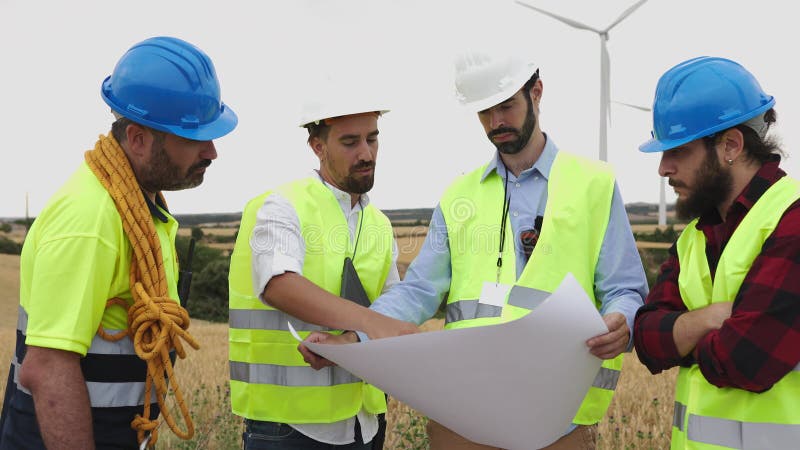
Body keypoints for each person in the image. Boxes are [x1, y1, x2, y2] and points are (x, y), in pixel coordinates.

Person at [301, 49, 648, 450]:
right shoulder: (458, 196)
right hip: (462, 416)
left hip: (558, 420)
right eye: (484, 111)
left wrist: (621, 320)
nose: (496, 122)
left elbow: (624, 288)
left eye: (506, 106)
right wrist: (354, 337)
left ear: (536, 92)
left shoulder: (595, 184)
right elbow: (417, 292)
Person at [0, 36, 237, 450]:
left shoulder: (139, 206)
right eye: (193, 137)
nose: (212, 152)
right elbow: (48, 368)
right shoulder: (89, 219)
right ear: (139, 138)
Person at [228, 84, 417, 449]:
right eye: (350, 142)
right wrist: (374, 324)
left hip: (366, 422)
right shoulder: (281, 205)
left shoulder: (379, 223)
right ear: (317, 146)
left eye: (372, 139)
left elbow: (394, 304)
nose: (366, 153)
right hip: (289, 428)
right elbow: (278, 283)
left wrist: (361, 335)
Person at [633, 56, 800, 449]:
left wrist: (680, 337)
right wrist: (709, 320)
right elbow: (646, 341)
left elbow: (746, 358)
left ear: (731, 145)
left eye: (679, 151)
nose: (663, 168)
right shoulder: (694, 236)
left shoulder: (792, 221)